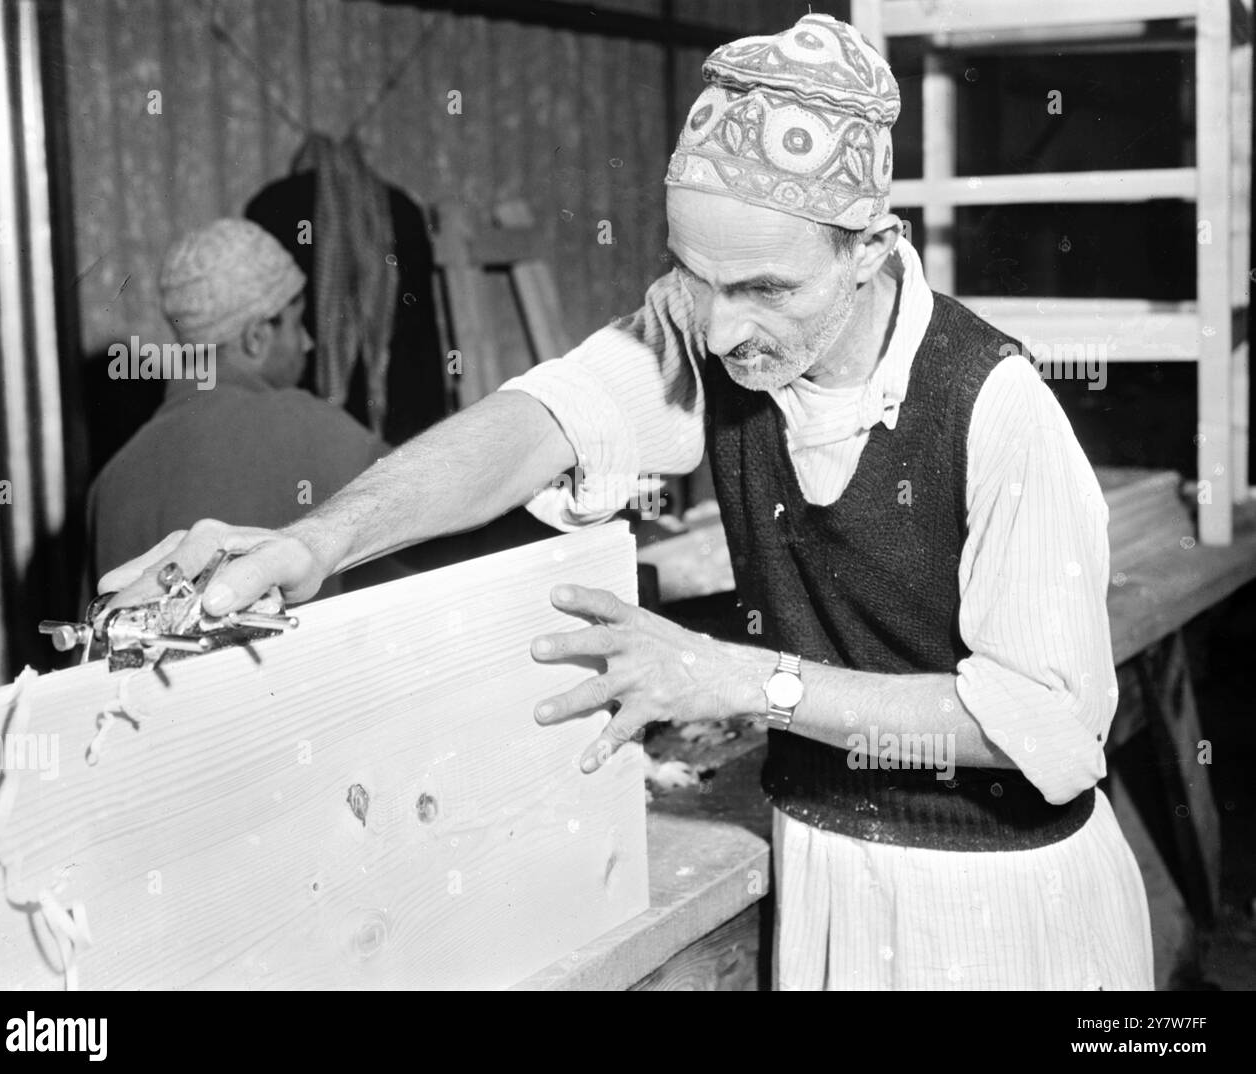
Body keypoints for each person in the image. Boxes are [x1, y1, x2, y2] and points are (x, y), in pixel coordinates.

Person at [99, 15, 1153, 990]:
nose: (726, 328)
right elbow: (535, 422)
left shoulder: (993, 410)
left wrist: (740, 679)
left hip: (1000, 911)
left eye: (768, 290)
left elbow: (1042, 725)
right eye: (697, 277)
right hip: (827, 880)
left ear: (870, 250)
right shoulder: (711, 333)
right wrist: (319, 538)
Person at [86, 219, 388, 594]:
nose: (308, 343)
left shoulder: (113, 481)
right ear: (256, 338)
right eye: (297, 325)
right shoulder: (311, 428)